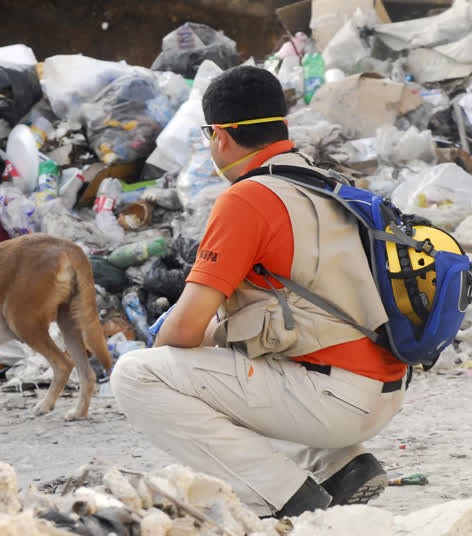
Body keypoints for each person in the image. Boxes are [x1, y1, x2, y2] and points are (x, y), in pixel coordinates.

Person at [110, 65, 407, 519]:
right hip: (382, 389)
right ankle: (343, 468)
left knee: (137, 374)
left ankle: (282, 495)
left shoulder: (246, 199)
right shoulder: (328, 183)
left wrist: (170, 345)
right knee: (244, 350)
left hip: (334, 400)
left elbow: (184, 330)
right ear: (281, 126)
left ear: (221, 136)